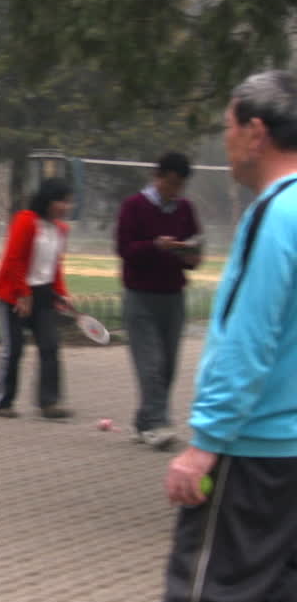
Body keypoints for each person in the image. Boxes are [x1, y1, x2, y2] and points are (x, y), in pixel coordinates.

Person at [158, 70, 297, 602]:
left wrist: (204, 445)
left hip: (254, 454)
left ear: (257, 131)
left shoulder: (275, 216)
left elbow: (248, 340)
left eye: (228, 126)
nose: (226, 140)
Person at [115, 152, 202, 450]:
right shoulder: (134, 206)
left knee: (168, 366)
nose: (175, 191)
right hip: (141, 297)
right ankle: (156, 424)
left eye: (181, 186)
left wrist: (188, 254)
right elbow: (124, 249)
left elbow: (194, 250)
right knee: (150, 364)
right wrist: (155, 246)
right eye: (172, 183)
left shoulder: (185, 209)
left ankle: (144, 421)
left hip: (173, 296)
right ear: (159, 176)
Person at [0, 177, 75, 420]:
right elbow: (14, 258)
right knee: (13, 349)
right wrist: (22, 293)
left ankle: (49, 402)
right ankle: (3, 402)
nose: (65, 207)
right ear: (48, 200)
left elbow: (54, 266)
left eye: (68, 202)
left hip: (44, 294)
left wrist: (61, 295)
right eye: (62, 201)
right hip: (14, 293)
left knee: (50, 346)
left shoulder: (60, 229)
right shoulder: (25, 220)